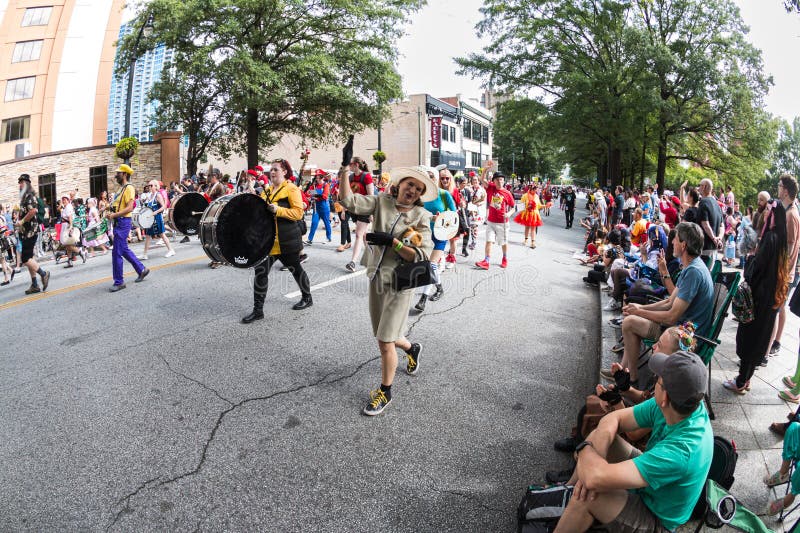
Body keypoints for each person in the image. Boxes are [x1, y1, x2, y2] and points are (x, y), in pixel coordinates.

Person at [542, 351, 712, 533]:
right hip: (652, 484)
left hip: (656, 518)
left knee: (588, 496)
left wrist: (585, 452)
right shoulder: (684, 405)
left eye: (658, 380)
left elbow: (594, 478)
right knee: (596, 440)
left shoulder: (681, 451)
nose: (655, 383)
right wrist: (590, 468)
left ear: (665, 397)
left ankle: (572, 500)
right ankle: (567, 491)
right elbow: (613, 419)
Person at [337, 142, 436, 416]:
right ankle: (412, 348)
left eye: (418, 188)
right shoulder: (382, 202)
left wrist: (392, 242)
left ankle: (386, 391)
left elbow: (419, 255)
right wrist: (345, 169)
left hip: (400, 284)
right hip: (376, 278)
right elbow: (349, 202)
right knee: (387, 335)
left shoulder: (422, 216)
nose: (413, 190)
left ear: (420, 194)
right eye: (409, 184)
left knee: (384, 342)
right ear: (400, 184)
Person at [605, 222, 714, 383]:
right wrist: (641, 307)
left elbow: (671, 317)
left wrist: (639, 311)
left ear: (683, 245)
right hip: (682, 328)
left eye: (675, 239)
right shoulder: (693, 266)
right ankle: (625, 371)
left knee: (629, 323)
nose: (672, 243)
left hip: (686, 337)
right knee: (632, 319)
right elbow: (670, 301)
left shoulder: (693, 272)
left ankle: (630, 378)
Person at [722, 202, 789, 394]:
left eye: (769, 210)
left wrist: (751, 260)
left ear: (775, 216)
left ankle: (741, 381)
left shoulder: (770, 238)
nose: (766, 213)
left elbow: (757, 270)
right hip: (768, 298)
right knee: (758, 339)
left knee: (749, 339)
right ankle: (746, 379)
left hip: (759, 298)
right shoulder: (779, 238)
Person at [242, 158, 313, 323]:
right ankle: (258, 310)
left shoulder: (291, 189)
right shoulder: (267, 190)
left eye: (275, 169)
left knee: (296, 269)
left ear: (285, 172)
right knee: (260, 272)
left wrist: (278, 210)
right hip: (268, 241)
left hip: (286, 240)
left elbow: (298, 213)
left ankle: (307, 298)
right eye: (271, 170)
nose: (272, 172)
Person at [414, 170, 456, 312]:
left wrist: (443, 216)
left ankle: (423, 299)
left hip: (440, 233)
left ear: (435, 180)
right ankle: (439, 287)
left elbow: (454, 214)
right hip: (425, 233)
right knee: (427, 264)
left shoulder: (444, 194)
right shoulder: (421, 196)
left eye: (431, 178)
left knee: (431, 265)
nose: (429, 181)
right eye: (426, 179)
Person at [769, 175, 800, 360]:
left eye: (779, 186)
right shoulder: (788, 211)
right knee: (778, 307)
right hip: (784, 272)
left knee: (779, 307)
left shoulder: (791, 215)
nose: (778, 188)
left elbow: (789, 247)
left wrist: (782, 272)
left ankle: (777, 341)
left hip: (785, 273)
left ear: (786, 190)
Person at [106, 165, 149, 292]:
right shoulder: (122, 189)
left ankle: (119, 282)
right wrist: (106, 209)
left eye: (118, 173)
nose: (116, 175)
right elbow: (117, 205)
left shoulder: (129, 188)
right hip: (119, 221)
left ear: (125, 174)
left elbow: (129, 208)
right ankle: (142, 269)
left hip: (123, 222)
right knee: (123, 249)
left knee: (116, 253)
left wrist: (113, 215)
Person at [475, 162, 515, 269]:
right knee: (489, 241)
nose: (499, 181)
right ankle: (486, 261)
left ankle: (505, 258)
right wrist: (485, 169)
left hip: (503, 223)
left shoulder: (507, 193)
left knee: (503, 242)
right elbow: (482, 180)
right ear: (494, 181)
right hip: (491, 222)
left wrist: (509, 214)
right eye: (497, 179)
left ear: (503, 181)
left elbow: (513, 207)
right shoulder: (491, 188)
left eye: (501, 179)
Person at [14, 174, 50, 294]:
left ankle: (43, 274)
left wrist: (22, 221)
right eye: (19, 183)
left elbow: (33, 210)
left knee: (25, 258)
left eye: (22, 182)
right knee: (29, 258)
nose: (20, 185)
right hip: (26, 232)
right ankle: (34, 285)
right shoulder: (24, 197)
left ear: (27, 184)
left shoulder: (30, 196)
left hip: (31, 232)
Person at [344, 156, 374, 272]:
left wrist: (371, 212)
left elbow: (371, 196)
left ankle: (353, 262)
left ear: (356, 164)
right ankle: (373, 256)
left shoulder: (366, 176)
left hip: (365, 209)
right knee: (363, 235)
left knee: (358, 234)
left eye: (350, 164)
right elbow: (348, 194)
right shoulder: (351, 177)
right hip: (355, 209)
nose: (349, 166)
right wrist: (344, 209)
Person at [141, 181, 176, 260]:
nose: (149, 187)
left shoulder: (158, 195)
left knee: (162, 234)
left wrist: (155, 212)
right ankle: (145, 254)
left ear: (155, 186)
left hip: (157, 218)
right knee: (147, 236)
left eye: (151, 185)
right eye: (148, 185)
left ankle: (171, 250)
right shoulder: (150, 195)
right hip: (150, 219)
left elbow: (164, 206)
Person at [697, 178, 724, 264]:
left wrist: (713, 238)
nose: (698, 188)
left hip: (705, 246)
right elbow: (722, 225)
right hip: (714, 248)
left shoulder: (703, 202)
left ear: (704, 187)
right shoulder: (717, 204)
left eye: (700, 185)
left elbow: (705, 223)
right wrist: (719, 238)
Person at [305, 170, 333, 245]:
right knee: (314, 222)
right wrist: (310, 196)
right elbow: (307, 193)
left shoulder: (326, 185)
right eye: (316, 177)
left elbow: (325, 196)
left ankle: (328, 237)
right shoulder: (314, 186)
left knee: (326, 223)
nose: (317, 179)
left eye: (318, 177)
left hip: (324, 207)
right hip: (316, 207)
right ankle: (309, 239)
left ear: (322, 177)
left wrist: (315, 195)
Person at [514, 184, 543, 248]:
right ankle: (526, 240)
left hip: (534, 214)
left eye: (536, 190)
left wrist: (546, 206)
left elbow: (539, 205)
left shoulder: (536, 196)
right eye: (534, 190)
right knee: (527, 227)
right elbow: (521, 205)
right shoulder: (525, 196)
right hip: (527, 214)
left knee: (533, 228)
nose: (535, 191)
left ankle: (533, 242)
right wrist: (521, 213)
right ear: (531, 189)